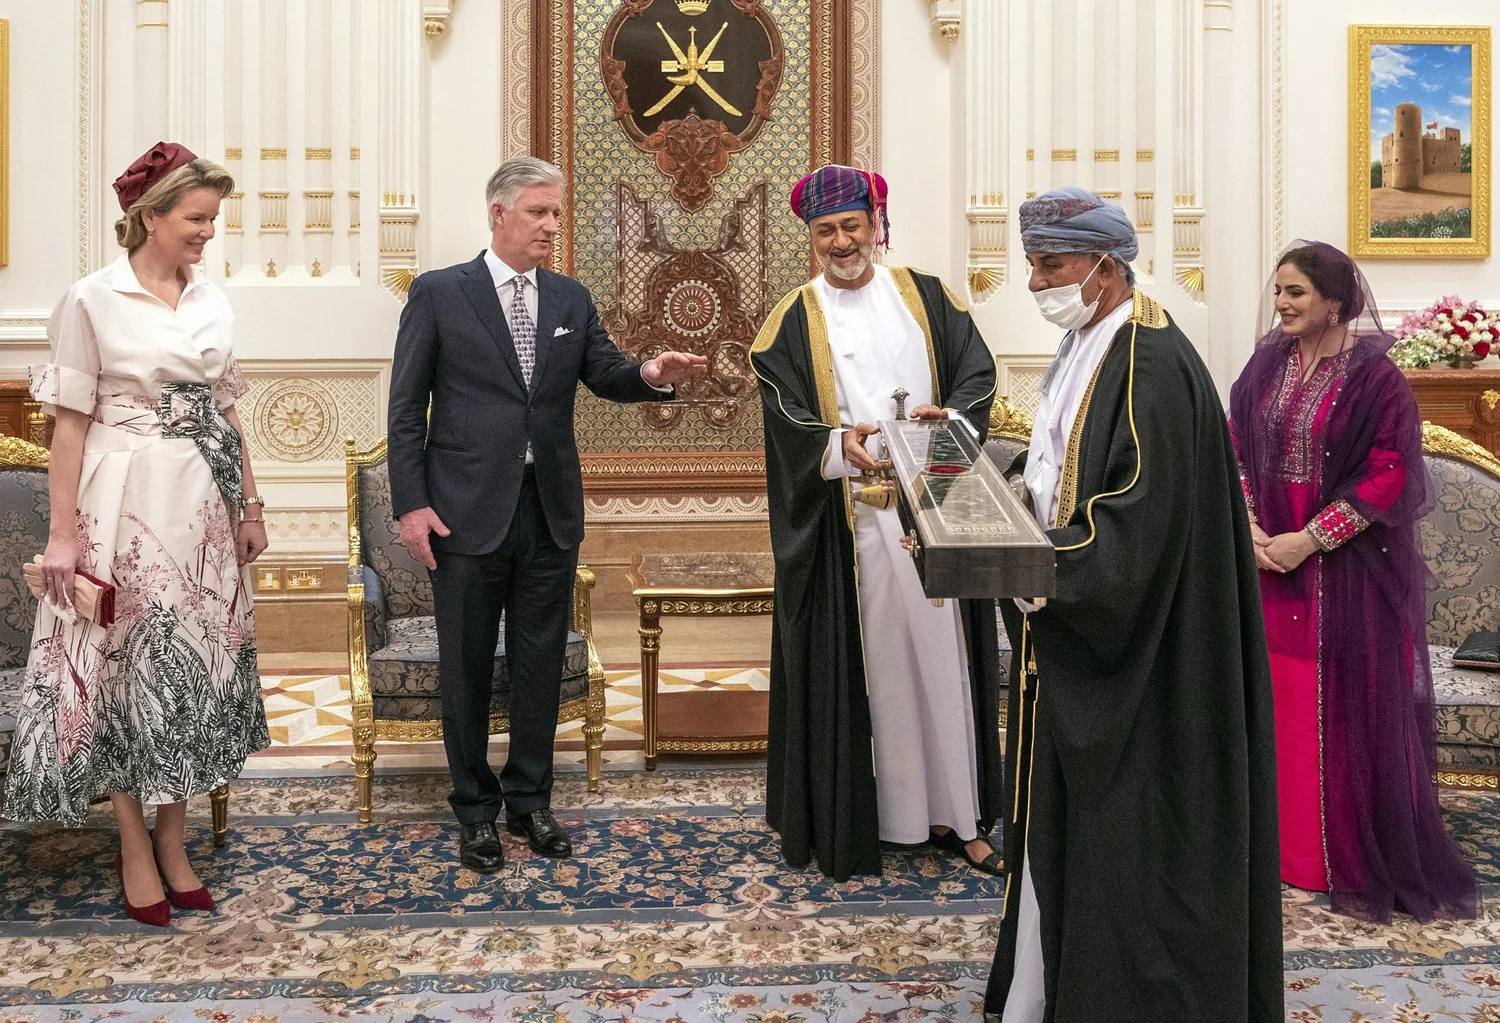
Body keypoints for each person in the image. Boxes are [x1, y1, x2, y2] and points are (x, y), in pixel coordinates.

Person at [984, 187, 1282, 1021]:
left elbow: (1130, 528)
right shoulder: (1096, 337)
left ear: (1105, 267)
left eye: (1052, 264)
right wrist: (989, 502)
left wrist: (1022, 563)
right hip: (1101, 641)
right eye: (1034, 262)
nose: (1038, 280)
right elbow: (1054, 466)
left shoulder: (1149, 366)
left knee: (1133, 838)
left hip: (1150, 658)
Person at [387, 156, 706, 873]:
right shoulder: (440, 293)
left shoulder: (568, 298)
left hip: (549, 513)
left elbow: (608, 373)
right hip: (464, 516)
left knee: (538, 663)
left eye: (556, 213)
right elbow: (406, 411)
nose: (552, 225)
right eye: (539, 212)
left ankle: (530, 800)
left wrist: (651, 375)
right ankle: (474, 809)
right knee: (466, 667)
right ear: (499, 215)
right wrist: (411, 505)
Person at [2, 143, 270, 926]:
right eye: (196, 218)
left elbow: (227, 412)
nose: (207, 233)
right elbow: (69, 428)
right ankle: (131, 840)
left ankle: (176, 839)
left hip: (204, 510)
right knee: (126, 671)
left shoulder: (212, 300)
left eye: (213, 219)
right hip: (123, 503)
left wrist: (250, 508)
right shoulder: (91, 298)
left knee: (192, 669)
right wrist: (61, 538)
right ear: (149, 217)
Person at [749, 164, 1005, 883]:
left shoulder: (925, 296)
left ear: (876, 224)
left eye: (851, 225)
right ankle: (880, 818)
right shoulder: (791, 320)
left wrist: (947, 422)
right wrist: (838, 445)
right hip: (853, 528)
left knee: (944, 668)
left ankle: (963, 818)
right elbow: (786, 420)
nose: (840, 241)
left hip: (939, 509)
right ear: (812, 237)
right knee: (880, 676)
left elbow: (977, 377)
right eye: (825, 230)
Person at [1229, 240, 1478, 923]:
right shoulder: (1265, 363)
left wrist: (1311, 537)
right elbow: (1235, 441)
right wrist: (1251, 527)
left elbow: (1389, 470)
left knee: (1336, 702)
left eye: (1295, 292)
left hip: (1344, 571)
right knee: (1274, 696)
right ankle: (1273, 849)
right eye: (1277, 290)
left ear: (1333, 300)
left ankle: (1330, 859)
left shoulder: (1377, 379)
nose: (1280, 303)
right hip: (1265, 562)